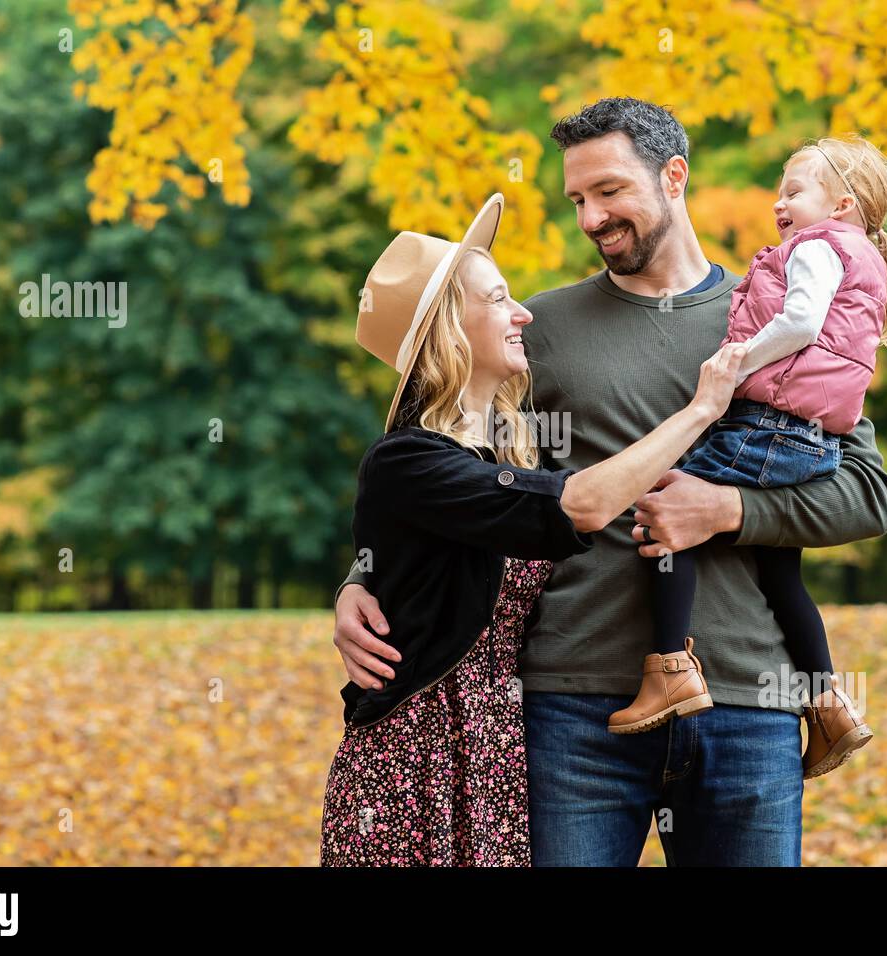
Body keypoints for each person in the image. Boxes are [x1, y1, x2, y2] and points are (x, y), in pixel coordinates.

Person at [336, 97, 887, 866]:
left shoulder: (774, 315)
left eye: (610, 191)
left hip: (747, 702)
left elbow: (866, 492)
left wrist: (726, 509)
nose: (592, 217)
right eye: (577, 200)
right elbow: (443, 470)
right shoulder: (539, 331)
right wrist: (364, 578)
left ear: (674, 177)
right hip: (573, 706)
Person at [320, 191, 747, 865]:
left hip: (493, 748)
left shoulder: (510, 448)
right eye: (495, 300)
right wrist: (701, 410)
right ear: (447, 332)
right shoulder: (410, 460)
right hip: (418, 758)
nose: (523, 312)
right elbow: (580, 506)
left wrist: (356, 581)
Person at [612, 135, 887, 784]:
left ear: (842, 203)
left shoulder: (817, 247)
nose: (780, 202)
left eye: (795, 190)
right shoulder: (859, 257)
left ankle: (669, 667)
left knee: (668, 511)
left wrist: (733, 364)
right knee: (779, 569)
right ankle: (827, 704)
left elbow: (801, 323)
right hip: (808, 433)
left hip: (772, 421)